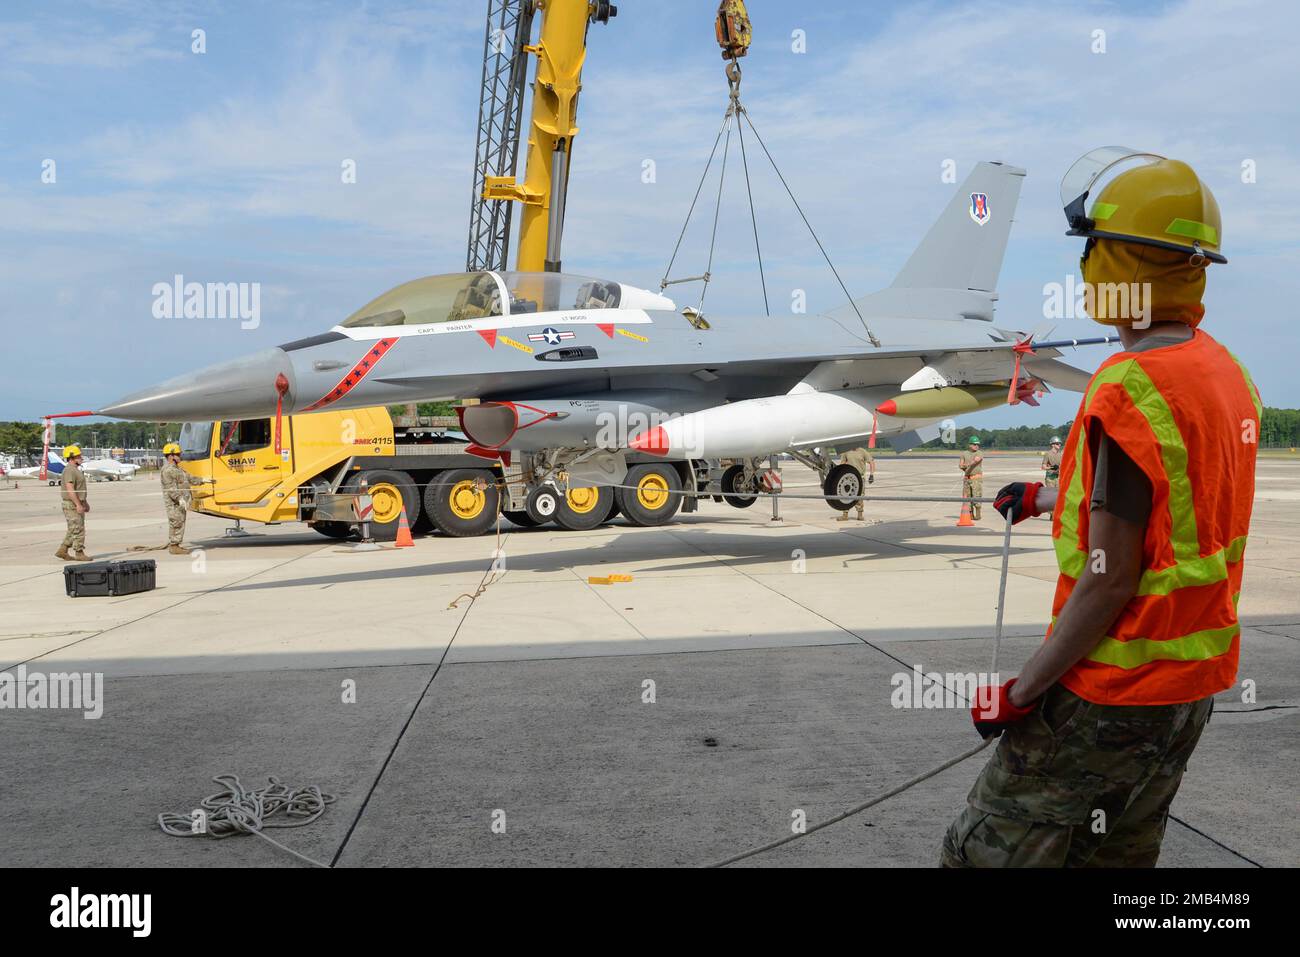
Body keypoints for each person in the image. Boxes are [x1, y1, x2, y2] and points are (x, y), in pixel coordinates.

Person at [942, 149, 1261, 867]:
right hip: (1189, 690)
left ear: (1118, 266)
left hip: (1112, 688)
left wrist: (1021, 692)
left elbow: (1112, 575)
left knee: (980, 854)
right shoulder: (1226, 374)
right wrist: (1047, 497)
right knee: (1116, 856)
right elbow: (1170, 508)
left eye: (1093, 251)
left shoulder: (1129, 386)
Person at [160, 442, 211, 554]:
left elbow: (189, 478)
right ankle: (174, 546)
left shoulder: (177, 469)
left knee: (180, 522)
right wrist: (179, 499)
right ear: (171, 456)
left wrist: (202, 480)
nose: (180, 456)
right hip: (174, 504)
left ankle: (176, 544)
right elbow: (170, 489)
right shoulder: (167, 470)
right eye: (178, 454)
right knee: (176, 522)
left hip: (180, 503)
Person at [55, 444, 91, 562]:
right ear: (71, 458)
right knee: (78, 529)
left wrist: (84, 502)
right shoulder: (69, 470)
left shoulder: (75, 470)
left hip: (76, 502)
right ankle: (79, 553)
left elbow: (79, 488)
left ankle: (63, 550)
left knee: (73, 529)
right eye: (78, 456)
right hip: (71, 504)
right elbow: (70, 489)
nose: (81, 457)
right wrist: (78, 504)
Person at [835, 446, 875, 521]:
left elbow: (871, 462)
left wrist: (871, 475)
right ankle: (845, 515)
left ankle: (860, 515)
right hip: (849, 477)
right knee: (845, 495)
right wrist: (839, 473)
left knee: (860, 496)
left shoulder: (863, 451)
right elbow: (842, 463)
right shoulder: (846, 451)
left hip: (860, 477)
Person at [959, 437, 983, 520]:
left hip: (976, 478)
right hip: (967, 478)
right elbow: (960, 465)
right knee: (967, 497)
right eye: (974, 444)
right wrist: (964, 466)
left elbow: (976, 461)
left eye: (978, 444)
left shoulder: (979, 453)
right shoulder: (964, 453)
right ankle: (970, 514)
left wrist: (966, 464)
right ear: (970, 445)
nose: (977, 446)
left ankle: (978, 513)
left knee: (976, 496)